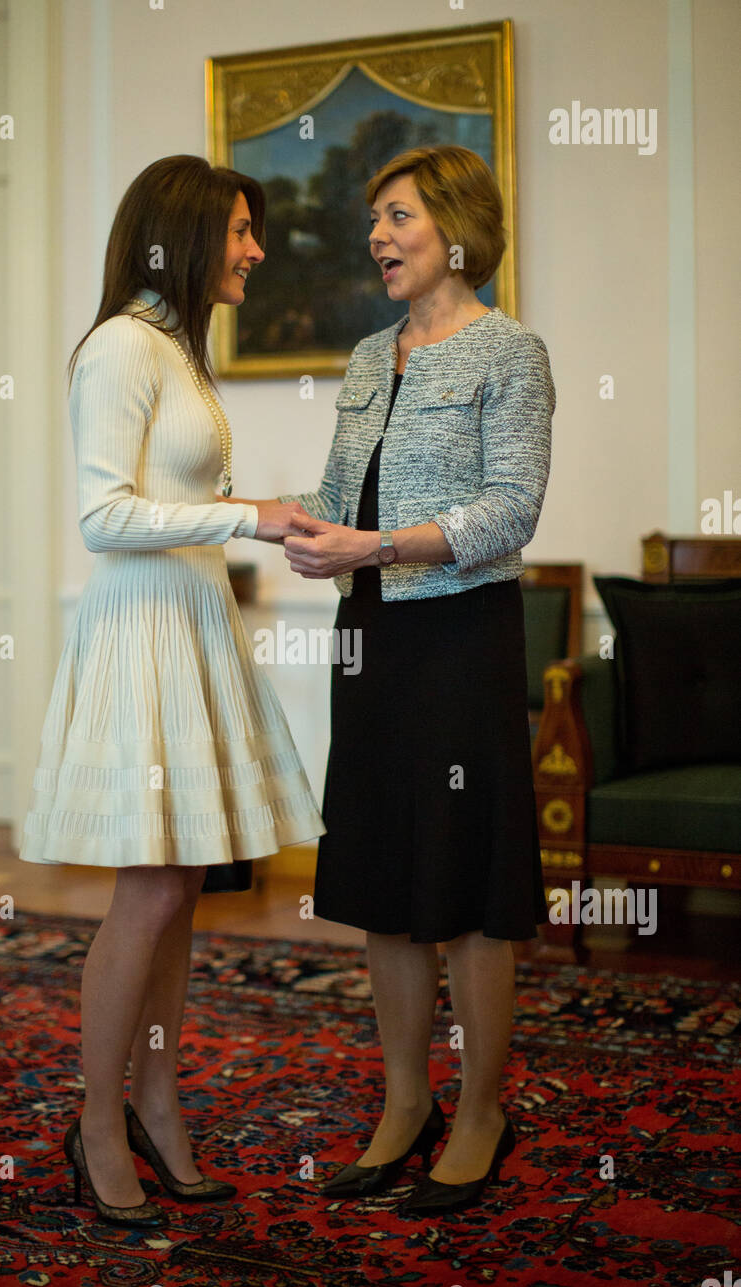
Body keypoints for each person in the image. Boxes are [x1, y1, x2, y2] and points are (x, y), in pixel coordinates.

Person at [228, 145, 556, 1216]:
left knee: (462, 884)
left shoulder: (510, 352)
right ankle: (404, 1103)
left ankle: (479, 1116)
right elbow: (334, 495)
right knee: (376, 871)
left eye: (397, 215)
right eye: (371, 218)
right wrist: (256, 516)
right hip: (366, 635)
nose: (375, 235)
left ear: (456, 227)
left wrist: (372, 547)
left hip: (459, 637)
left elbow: (508, 513)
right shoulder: (369, 355)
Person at [18, 155, 323, 1225]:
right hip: (141, 628)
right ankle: (97, 1120)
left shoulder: (177, 351)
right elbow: (104, 517)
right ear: (185, 235)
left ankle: (154, 1099)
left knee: (182, 885)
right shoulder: (119, 348)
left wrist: (262, 514)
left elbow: (174, 495)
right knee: (148, 889)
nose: (253, 249)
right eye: (240, 230)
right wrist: (252, 515)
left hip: (190, 620)